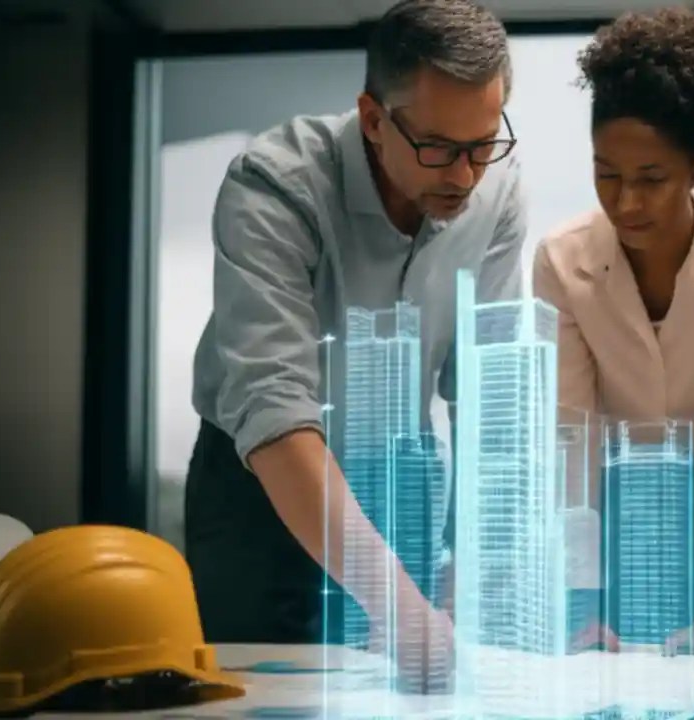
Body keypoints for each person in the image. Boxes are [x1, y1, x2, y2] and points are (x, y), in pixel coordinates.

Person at [182, 0, 526, 675]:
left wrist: (472, 563)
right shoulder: (274, 185)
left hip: (401, 469)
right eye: (438, 148)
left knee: (419, 690)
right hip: (262, 482)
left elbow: (489, 395)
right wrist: (397, 602)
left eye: (482, 146)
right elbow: (274, 407)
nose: (464, 176)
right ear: (373, 118)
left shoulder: (498, 196)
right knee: (262, 690)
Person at [533, 6, 694, 662]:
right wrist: (584, 603)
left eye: (651, 180)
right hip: (620, 508)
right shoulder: (561, 259)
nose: (625, 203)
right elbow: (575, 436)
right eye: (607, 175)